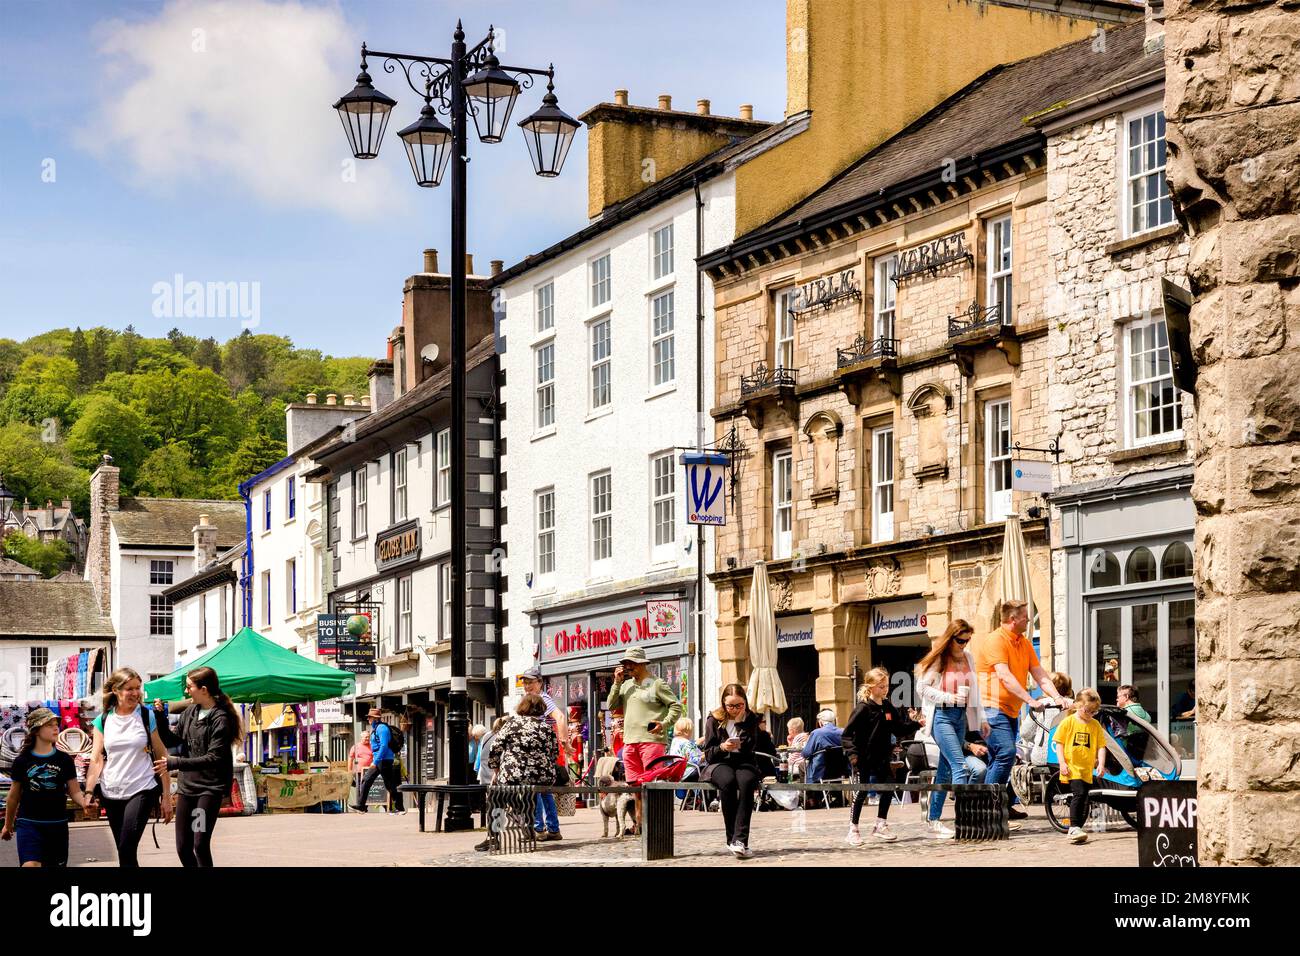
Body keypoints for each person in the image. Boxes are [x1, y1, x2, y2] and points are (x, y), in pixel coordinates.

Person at [974, 600, 1071, 821]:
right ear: (1012, 619)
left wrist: (1057, 697)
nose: (1028, 620)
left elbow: (1040, 674)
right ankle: (988, 808)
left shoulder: (1024, 643)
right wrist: (1031, 700)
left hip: (1010, 710)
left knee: (998, 758)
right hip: (990, 708)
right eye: (1025, 616)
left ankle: (1000, 806)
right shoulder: (995, 640)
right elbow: (1005, 676)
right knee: (1007, 753)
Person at [82, 668, 175, 867]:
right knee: (125, 853)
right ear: (115, 690)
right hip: (111, 791)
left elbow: (161, 756)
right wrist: (89, 792)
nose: (135, 693)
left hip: (141, 788)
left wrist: (166, 795)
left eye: (137, 688)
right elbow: (96, 759)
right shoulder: (103, 720)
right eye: (129, 689)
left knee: (126, 848)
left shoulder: (145, 716)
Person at [152, 667, 242, 867]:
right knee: (183, 847)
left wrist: (175, 762)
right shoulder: (191, 712)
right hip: (188, 788)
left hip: (208, 790)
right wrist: (160, 717)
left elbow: (214, 758)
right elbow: (173, 741)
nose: (186, 691)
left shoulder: (221, 718)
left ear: (204, 689)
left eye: (189, 687)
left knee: (199, 844)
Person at [917, 619, 989, 839]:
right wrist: (949, 697)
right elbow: (922, 688)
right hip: (942, 716)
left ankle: (933, 820)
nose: (964, 645)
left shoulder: (968, 658)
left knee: (945, 770)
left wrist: (982, 718)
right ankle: (964, 820)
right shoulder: (940, 659)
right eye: (960, 641)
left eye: (967, 641)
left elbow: (975, 689)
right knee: (960, 766)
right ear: (951, 638)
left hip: (960, 718)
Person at [1, 708, 94, 867]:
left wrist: (84, 802)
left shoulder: (64, 759)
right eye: (49, 725)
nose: (56, 728)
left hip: (57, 825)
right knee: (31, 865)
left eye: (56, 724)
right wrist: (7, 825)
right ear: (36, 730)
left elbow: (75, 790)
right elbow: (13, 797)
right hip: (29, 823)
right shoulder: (22, 761)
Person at [604, 648, 682, 834]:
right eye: (625, 664)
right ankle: (640, 824)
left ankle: (655, 824)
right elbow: (611, 705)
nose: (627, 667)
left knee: (652, 785)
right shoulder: (625, 685)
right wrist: (616, 683)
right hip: (630, 741)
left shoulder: (656, 684)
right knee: (635, 786)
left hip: (651, 740)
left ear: (641, 664)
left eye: (630, 663)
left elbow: (676, 706)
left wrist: (663, 724)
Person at [842, 667, 903, 845]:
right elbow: (846, 734)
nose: (885, 690)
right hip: (863, 757)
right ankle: (853, 829)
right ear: (870, 687)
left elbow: (899, 728)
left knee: (889, 787)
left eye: (886, 686)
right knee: (861, 792)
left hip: (882, 757)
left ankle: (880, 824)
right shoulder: (862, 709)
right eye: (881, 686)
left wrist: (917, 724)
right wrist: (853, 755)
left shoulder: (888, 707)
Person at [701, 683, 761, 859]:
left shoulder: (751, 719)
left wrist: (742, 725)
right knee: (728, 781)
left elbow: (753, 747)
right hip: (720, 762)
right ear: (723, 703)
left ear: (745, 702)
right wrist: (722, 747)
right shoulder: (714, 719)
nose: (735, 709)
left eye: (739, 705)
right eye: (730, 705)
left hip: (744, 762)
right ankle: (732, 838)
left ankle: (740, 840)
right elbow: (709, 754)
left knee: (746, 782)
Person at [1052, 688, 1107, 844]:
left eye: (1094, 712)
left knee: (1085, 797)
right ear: (1077, 705)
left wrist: (1101, 763)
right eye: (1088, 710)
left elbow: (1101, 746)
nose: (1090, 714)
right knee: (1080, 794)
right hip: (1072, 767)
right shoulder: (1068, 722)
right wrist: (1062, 763)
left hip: (1087, 769)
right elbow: (1059, 743)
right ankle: (1073, 827)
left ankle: (1078, 826)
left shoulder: (1095, 725)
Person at [520, 667, 568, 841]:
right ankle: (553, 829)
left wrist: (564, 742)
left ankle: (538, 828)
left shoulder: (543, 699)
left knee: (536, 790)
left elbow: (560, 717)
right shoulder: (530, 698)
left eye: (531, 682)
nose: (527, 686)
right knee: (545, 791)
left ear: (540, 682)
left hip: (539, 753)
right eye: (525, 682)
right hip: (544, 752)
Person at [487, 695, 559, 786]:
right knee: (543, 794)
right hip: (542, 776)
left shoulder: (511, 724)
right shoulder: (547, 728)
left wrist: (496, 769)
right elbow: (554, 753)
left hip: (512, 774)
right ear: (542, 707)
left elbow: (495, 747)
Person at [350, 708, 405, 813]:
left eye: (370, 718)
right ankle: (362, 806)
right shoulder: (376, 728)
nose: (368, 720)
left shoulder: (382, 729)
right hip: (381, 759)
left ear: (375, 719)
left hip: (383, 760)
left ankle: (399, 807)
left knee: (377, 782)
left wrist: (375, 762)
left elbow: (384, 746)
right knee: (381, 783)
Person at [801, 709, 843, 784]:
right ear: (834, 721)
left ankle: (808, 793)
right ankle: (836, 794)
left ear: (820, 722)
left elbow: (805, 754)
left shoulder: (817, 733)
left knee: (801, 766)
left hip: (821, 770)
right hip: (841, 769)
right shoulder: (842, 732)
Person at [784, 717, 809, 782]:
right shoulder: (805, 735)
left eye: (789, 729)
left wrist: (786, 761)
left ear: (793, 730)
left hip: (798, 764)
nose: (788, 732)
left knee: (784, 768)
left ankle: (789, 784)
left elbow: (793, 756)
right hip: (804, 762)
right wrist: (790, 743)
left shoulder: (798, 738)